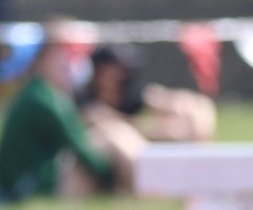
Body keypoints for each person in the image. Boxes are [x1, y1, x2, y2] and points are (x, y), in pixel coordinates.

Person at [0, 26, 139, 202]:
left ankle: (146, 190)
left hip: (32, 182)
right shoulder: (43, 99)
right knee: (110, 140)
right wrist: (112, 177)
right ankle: (140, 194)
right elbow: (85, 153)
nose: (71, 64)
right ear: (47, 57)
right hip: (27, 190)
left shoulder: (40, 92)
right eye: (65, 55)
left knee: (112, 132)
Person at [77, 44, 216, 144]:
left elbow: (182, 106)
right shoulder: (84, 101)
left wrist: (126, 123)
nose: (125, 75)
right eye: (120, 70)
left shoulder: (132, 92)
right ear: (102, 73)